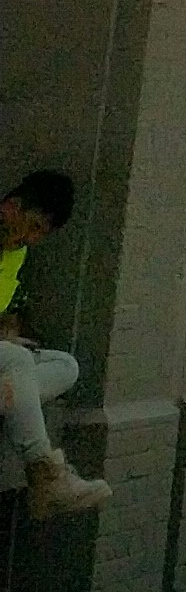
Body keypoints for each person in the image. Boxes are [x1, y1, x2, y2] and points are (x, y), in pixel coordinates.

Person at [0, 173, 108, 522]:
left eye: (40, 234)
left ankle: (10, 393)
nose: (31, 239)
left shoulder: (15, 254)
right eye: (31, 226)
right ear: (11, 208)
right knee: (16, 359)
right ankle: (44, 474)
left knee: (65, 366)